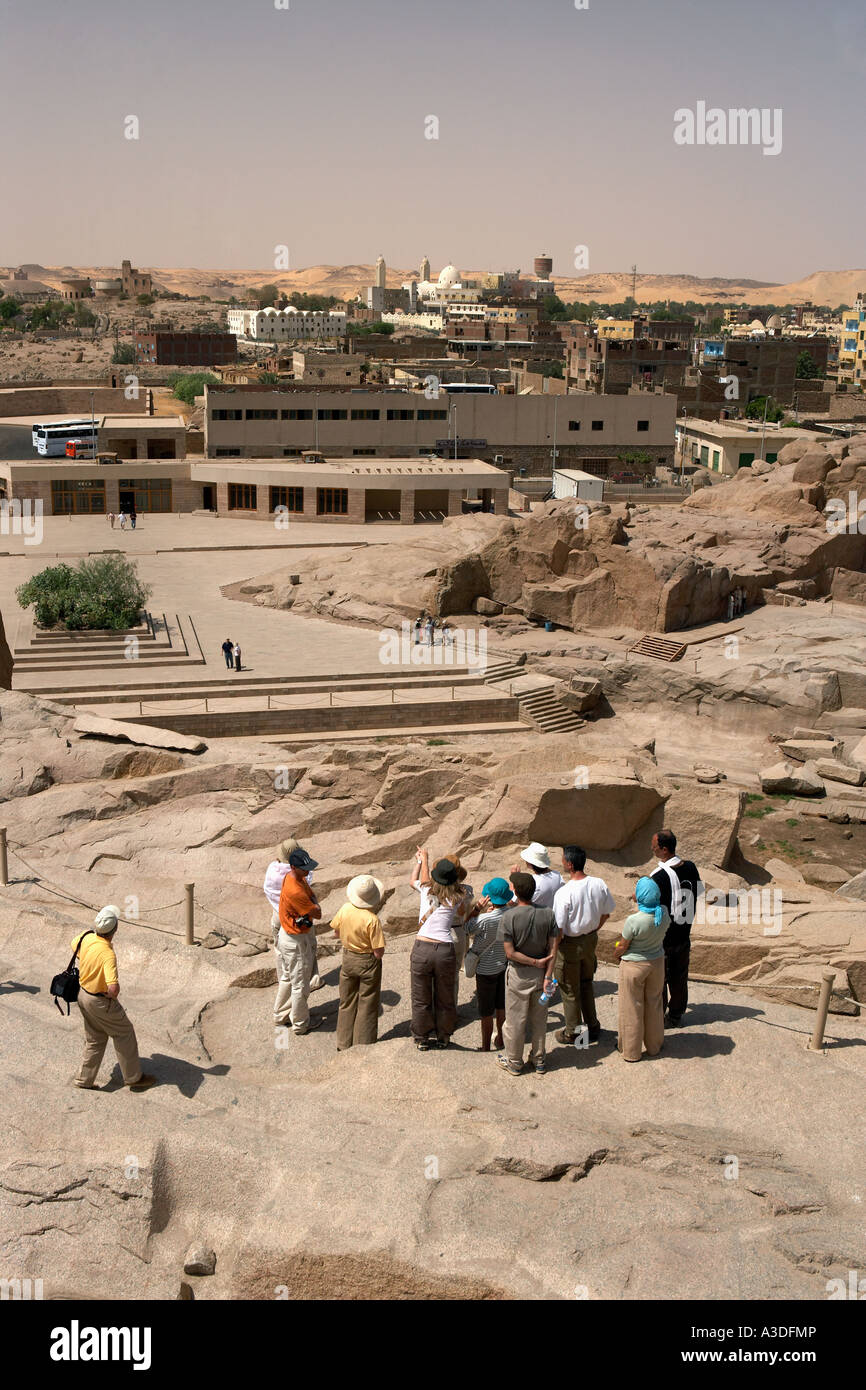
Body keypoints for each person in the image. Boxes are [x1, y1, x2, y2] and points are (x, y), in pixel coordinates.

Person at [71, 905, 156, 1091]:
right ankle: (133, 1078)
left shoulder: (86, 938)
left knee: (95, 1038)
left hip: (83, 995)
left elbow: (73, 945)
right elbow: (113, 988)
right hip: (99, 1001)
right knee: (124, 1032)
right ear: (114, 930)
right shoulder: (107, 954)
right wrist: (109, 995)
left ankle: (84, 1080)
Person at [497, 873, 559, 1076]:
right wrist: (548, 974)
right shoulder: (548, 914)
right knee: (540, 1018)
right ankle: (539, 1058)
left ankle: (514, 1062)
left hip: (519, 974)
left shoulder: (509, 916)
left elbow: (510, 952)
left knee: (515, 1020)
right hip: (542, 975)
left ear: (514, 890)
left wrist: (533, 962)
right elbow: (553, 949)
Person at [552, 845, 615, 1046]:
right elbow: (607, 912)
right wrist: (595, 929)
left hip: (570, 944)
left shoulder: (564, 892)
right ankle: (592, 1027)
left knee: (570, 990)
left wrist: (554, 950)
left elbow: (559, 929)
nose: (561, 861)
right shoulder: (598, 883)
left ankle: (575, 1034)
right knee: (587, 983)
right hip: (589, 941)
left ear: (569, 864)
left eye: (563, 859)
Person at [409, 849, 467, 1050]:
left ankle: (422, 1037)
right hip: (444, 949)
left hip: (422, 946)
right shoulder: (459, 895)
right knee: (445, 995)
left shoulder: (426, 890)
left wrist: (422, 860)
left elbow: (417, 880)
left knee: (420, 996)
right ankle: (443, 1035)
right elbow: (461, 909)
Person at [651, 829, 703, 1027]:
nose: (652, 848)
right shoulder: (690, 867)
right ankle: (676, 1014)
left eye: (654, 846)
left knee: (660, 979)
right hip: (684, 931)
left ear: (664, 849)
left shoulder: (659, 876)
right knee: (680, 977)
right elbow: (697, 891)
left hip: (665, 937)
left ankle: (658, 1015)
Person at [614, 877, 669, 1062]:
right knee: (654, 1004)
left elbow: (623, 945)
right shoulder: (664, 912)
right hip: (657, 961)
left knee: (632, 1007)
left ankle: (631, 1051)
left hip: (634, 965)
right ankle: (654, 1046)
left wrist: (616, 953)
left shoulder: (634, 920)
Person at [331, 875, 386, 1049]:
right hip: (367, 960)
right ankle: (363, 1043)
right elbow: (378, 952)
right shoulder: (372, 919)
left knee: (346, 1001)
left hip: (348, 958)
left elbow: (336, 933)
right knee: (367, 1002)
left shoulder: (345, 908)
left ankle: (343, 1043)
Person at [273, 849, 322, 1035]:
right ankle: (300, 1024)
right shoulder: (296, 890)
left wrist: (313, 903)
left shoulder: (292, 877)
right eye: (304, 869)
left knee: (287, 977)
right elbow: (317, 912)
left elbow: (312, 895)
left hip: (287, 936)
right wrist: (314, 904)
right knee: (300, 984)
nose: (307, 872)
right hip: (296, 941)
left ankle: (281, 1015)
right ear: (293, 866)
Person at [263, 839, 323, 990]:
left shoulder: (272, 869)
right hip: (300, 915)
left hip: (278, 913)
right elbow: (307, 885)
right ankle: (312, 980)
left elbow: (267, 889)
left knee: (280, 950)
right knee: (308, 948)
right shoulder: (298, 874)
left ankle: (285, 981)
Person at [466, 877, 510, 1052]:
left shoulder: (484, 919)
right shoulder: (512, 914)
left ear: (490, 898)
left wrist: (478, 909)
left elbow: (467, 927)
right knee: (501, 1007)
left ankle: (485, 1046)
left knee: (486, 1012)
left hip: (485, 969)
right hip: (503, 965)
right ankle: (500, 1039)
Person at [511, 842, 563, 908]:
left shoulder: (531, 882)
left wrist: (514, 878)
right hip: (551, 915)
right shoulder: (557, 875)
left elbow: (511, 902)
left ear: (530, 863)